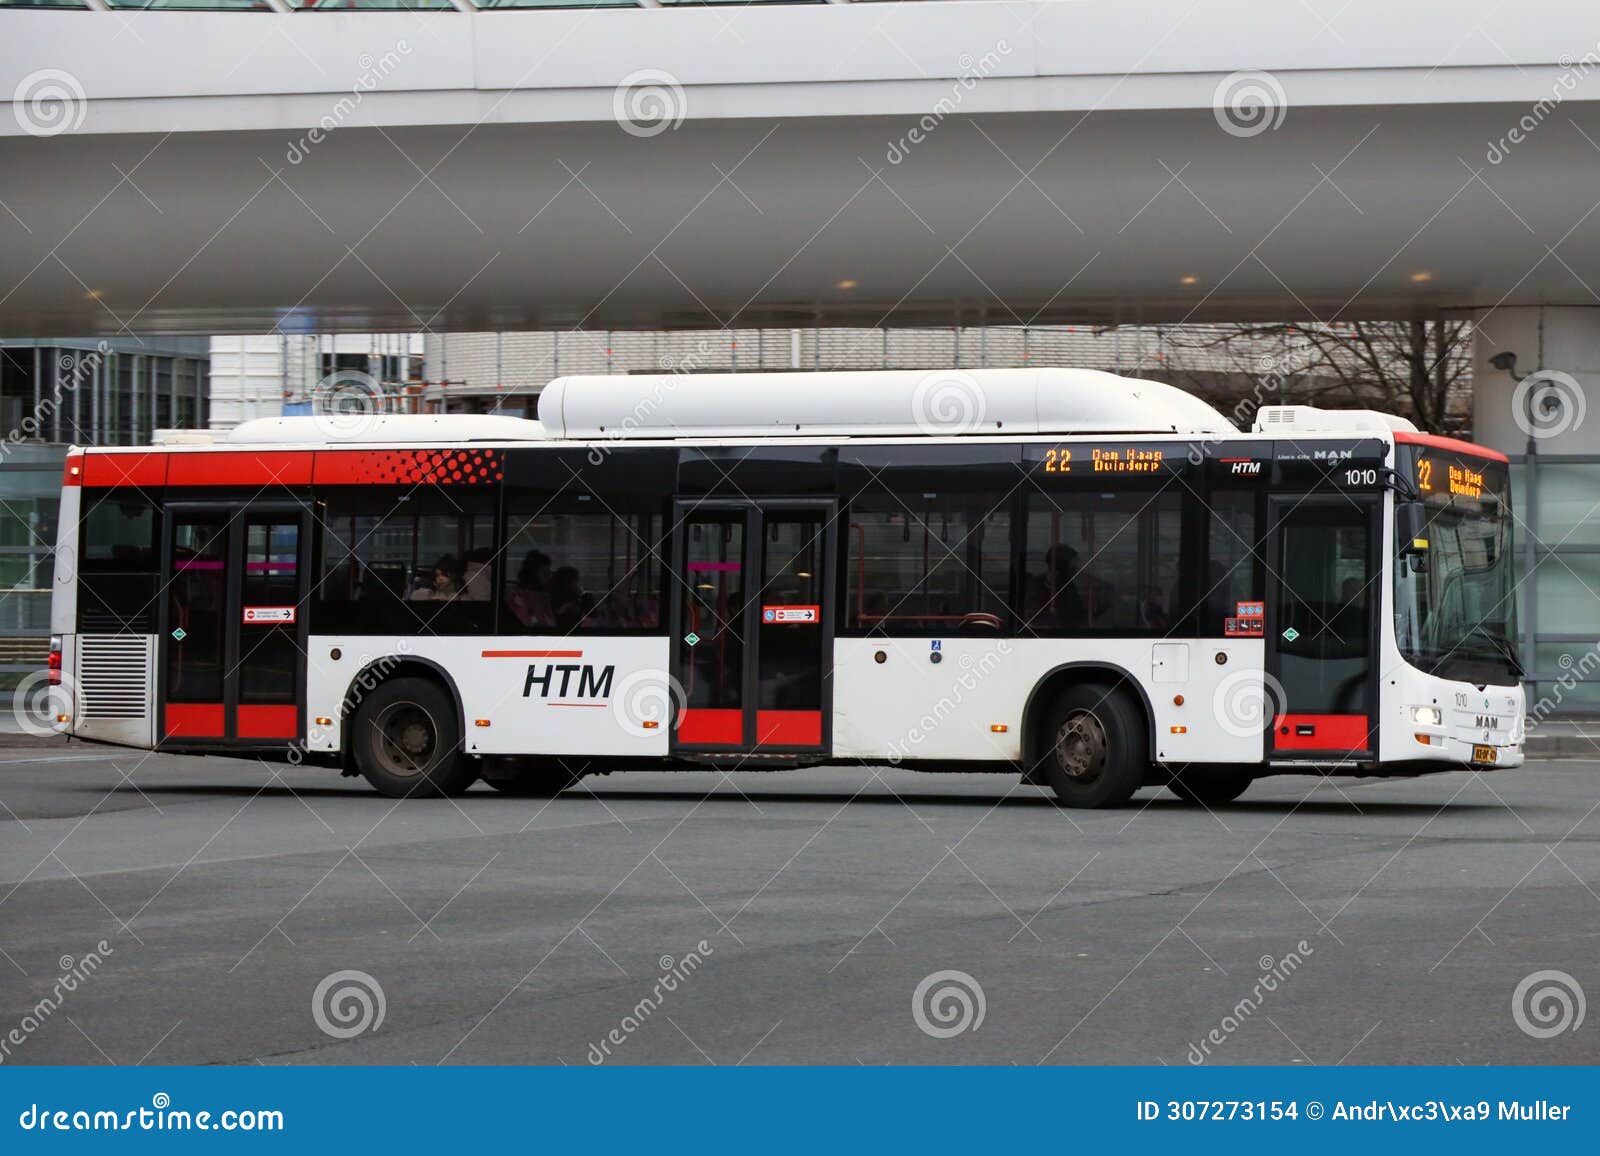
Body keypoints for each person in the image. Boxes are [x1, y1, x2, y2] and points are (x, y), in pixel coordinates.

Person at [506, 549, 554, 628]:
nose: (549, 576)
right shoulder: (516, 596)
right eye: (545, 573)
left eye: (549, 572)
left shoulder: (545, 596)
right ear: (531, 574)